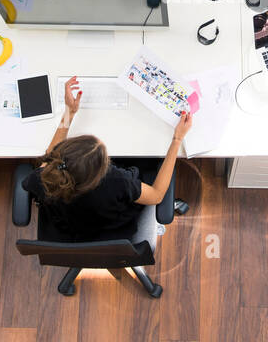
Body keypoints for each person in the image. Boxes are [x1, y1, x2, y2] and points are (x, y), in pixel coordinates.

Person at [23, 76, 193, 242]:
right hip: (114, 234)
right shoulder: (117, 181)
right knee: (148, 161)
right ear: (102, 171)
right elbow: (156, 196)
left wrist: (69, 113)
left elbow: (49, 155)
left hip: (69, 232)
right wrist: (177, 139)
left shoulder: (45, 179)